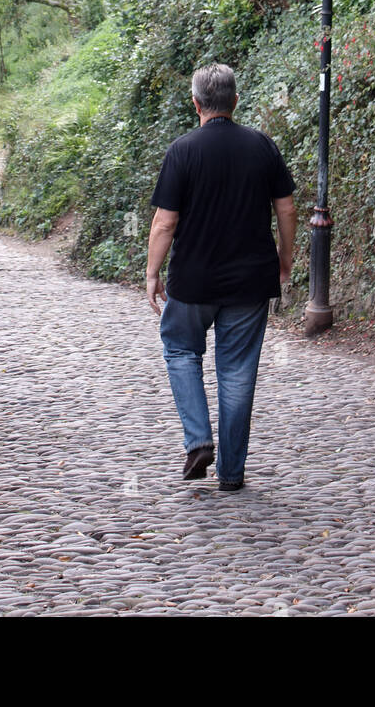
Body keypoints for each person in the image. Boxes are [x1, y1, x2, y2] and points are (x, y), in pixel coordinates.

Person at [147, 62, 297, 491]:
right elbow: (286, 209)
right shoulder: (262, 146)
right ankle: (232, 472)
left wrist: (152, 272)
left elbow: (164, 223)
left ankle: (198, 441)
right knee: (237, 372)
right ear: (235, 100)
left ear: (195, 103)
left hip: (193, 281)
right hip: (250, 282)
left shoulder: (183, 150)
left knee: (179, 350)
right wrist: (284, 260)